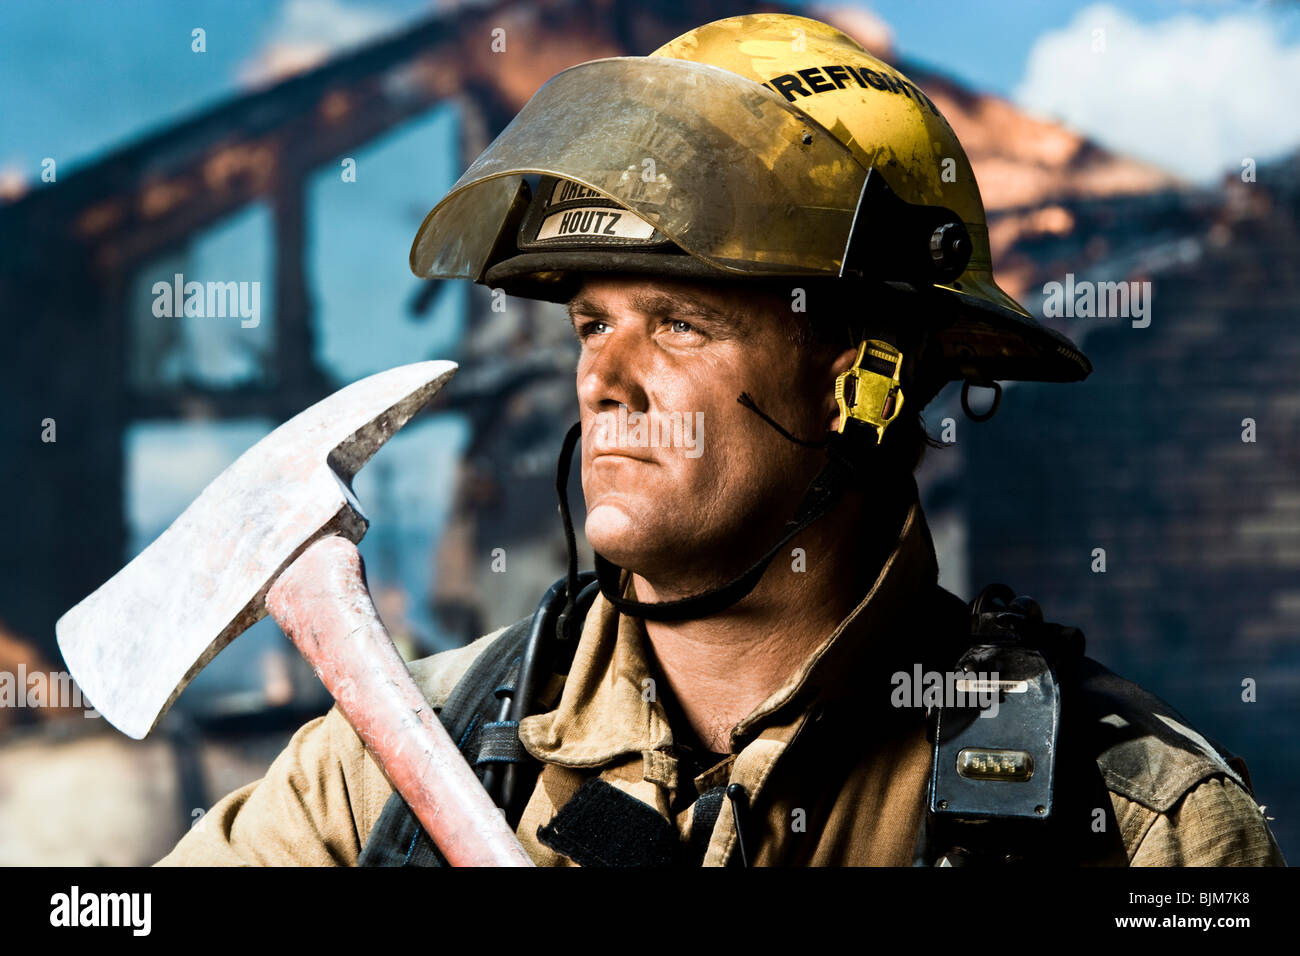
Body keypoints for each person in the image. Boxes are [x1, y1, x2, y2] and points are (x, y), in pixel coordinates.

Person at [158, 13, 1284, 867]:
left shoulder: (1134, 825)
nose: (601, 374)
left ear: (867, 374)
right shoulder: (392, 766)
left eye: (680, 321)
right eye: (592, 321)